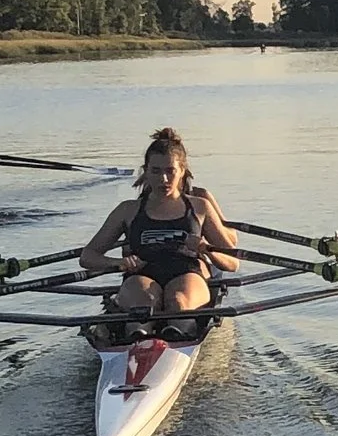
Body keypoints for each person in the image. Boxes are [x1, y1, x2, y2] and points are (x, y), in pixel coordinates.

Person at [79, 129, 241, 339]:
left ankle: (176, 335)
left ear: (182, 171)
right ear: (145, 171)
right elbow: (88, 257)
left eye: (170, 171)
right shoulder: (127, 210)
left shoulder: (200, 207)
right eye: (155, 171)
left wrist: (208, 250)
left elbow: (233, 263)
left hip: (188, 272)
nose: (163, 179)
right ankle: (139, 339)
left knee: (179, 302)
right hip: (142, 274)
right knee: (142, 310)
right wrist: (118, 264)